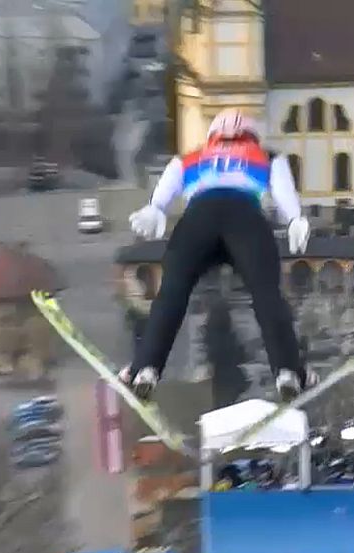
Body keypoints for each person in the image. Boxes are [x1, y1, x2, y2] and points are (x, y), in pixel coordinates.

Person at [120, 108, 311, 402]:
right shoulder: (267, 156)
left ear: (213, 136)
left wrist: (154, 209)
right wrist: (295, 218)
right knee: (266, 295)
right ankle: (288, 371)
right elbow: (283, 190)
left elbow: (165, 190)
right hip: (245, 217)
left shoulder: (192, 157)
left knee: (172, 292)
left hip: (199, 219)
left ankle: (146, 367)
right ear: (251, 136)